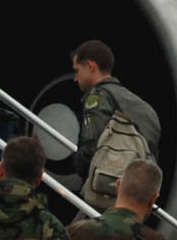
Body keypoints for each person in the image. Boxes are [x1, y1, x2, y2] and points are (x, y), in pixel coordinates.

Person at [68, 41, 162, 204]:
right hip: (136, 194)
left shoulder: (98, 97)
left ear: (91, 66)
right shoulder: (138, 103)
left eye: (77, 70)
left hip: (106, 192)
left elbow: (91, 147)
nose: (76, 78)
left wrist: (77, 163)